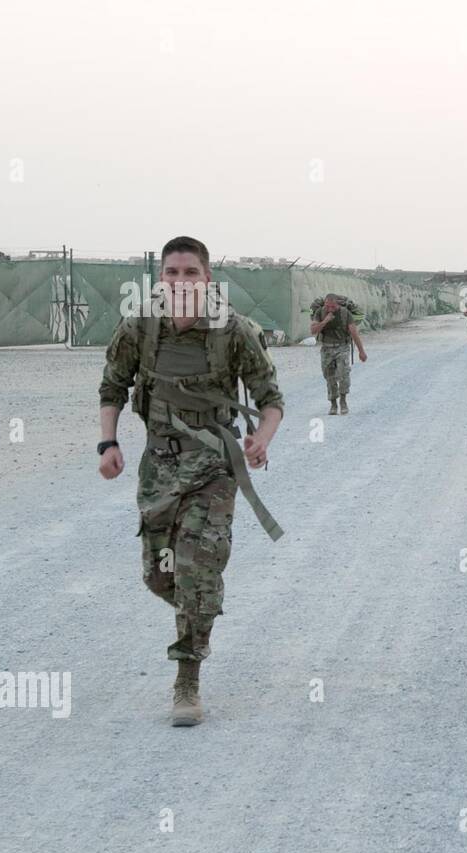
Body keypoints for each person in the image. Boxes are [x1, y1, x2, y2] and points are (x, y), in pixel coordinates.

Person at [97, 235, 285, 726]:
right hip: (158, 468)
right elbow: (112, 385)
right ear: (161, 279)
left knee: (198, 568)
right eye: (172, 273)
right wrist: (108, 443)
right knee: (161, 575)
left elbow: (271, 398)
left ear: (208, 280)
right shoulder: (139, 327)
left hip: (215, 470)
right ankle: (196, 605)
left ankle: (187, 678)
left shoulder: (235, 331)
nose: (181, 282)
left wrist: (261, 440)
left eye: (191, 273)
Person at [309, 293, 368, 414]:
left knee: (343, 374)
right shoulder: (320, 312)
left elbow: (354, 333)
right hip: (326, 349)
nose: (330, 309)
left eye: (333, 307)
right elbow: (313, 330)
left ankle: (343, 401)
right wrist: (325, 321)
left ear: (338, 304)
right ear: (325, 304)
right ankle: (333, 404)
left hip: (342, 347)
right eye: (328, 306)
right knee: (329, 377)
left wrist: (361, 351)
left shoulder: (345, 313)